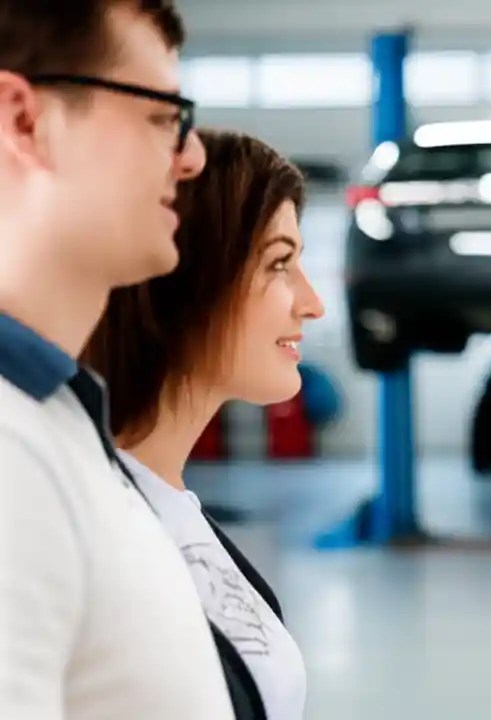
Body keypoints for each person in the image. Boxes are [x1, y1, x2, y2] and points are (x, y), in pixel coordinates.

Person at [0, 1, 237, 718]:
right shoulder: (8, 448)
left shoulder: (54, 417)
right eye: (165, 115)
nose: (192, 156)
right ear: (24, 120)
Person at [81, 127, 324, 720]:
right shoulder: (90, 531)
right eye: (279, 264)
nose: (312, 301)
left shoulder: (175, 510)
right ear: (185, 282)